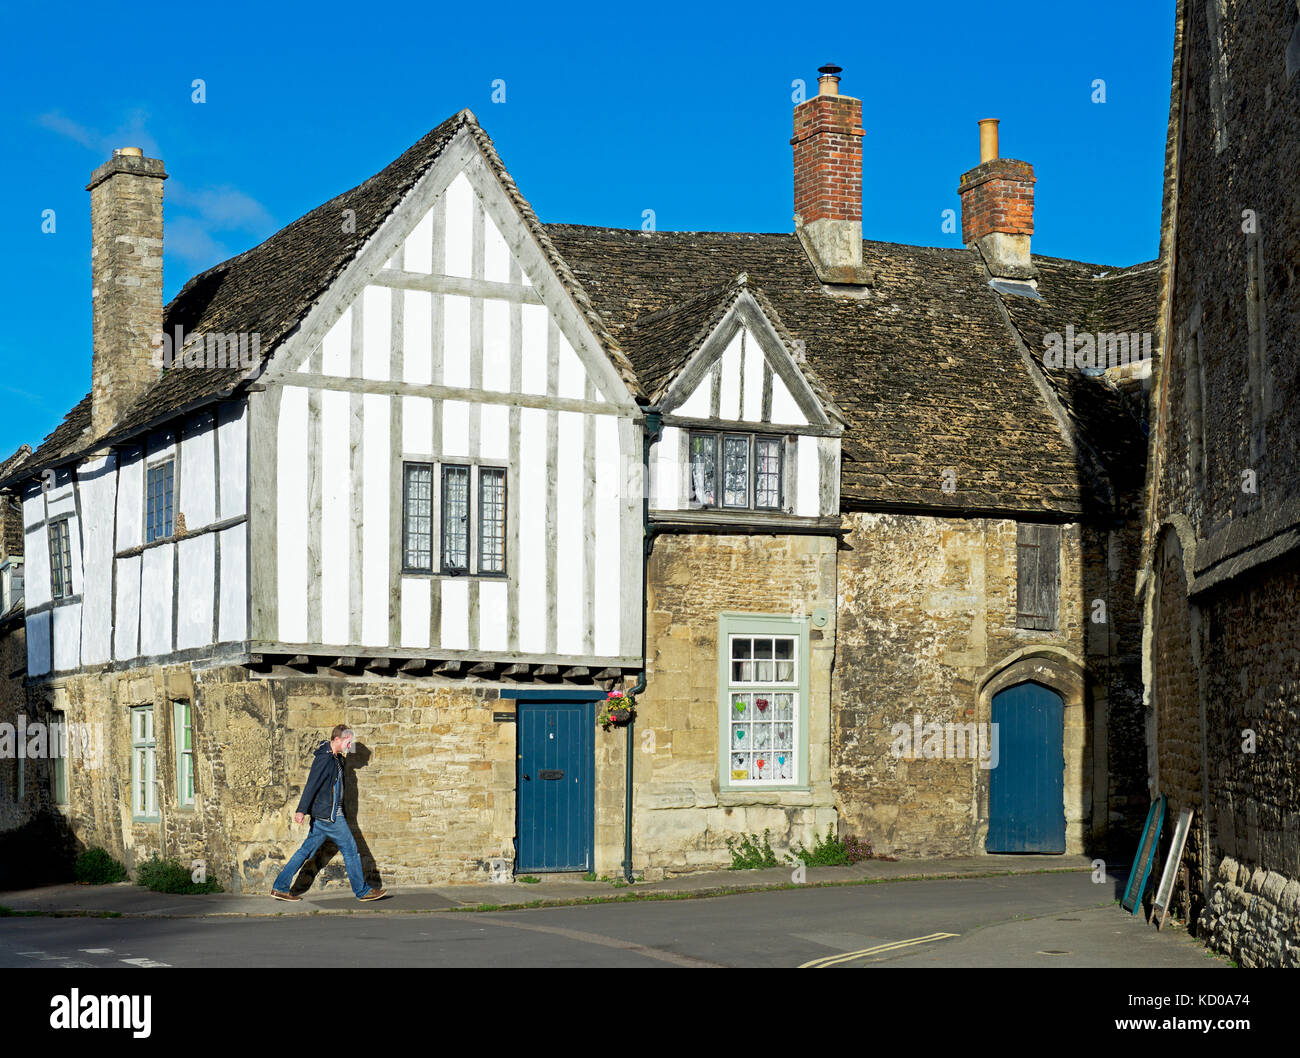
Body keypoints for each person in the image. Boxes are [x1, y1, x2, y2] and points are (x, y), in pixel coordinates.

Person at [271, 724, 387, 901]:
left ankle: (280, 887)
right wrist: (301, 810)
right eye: (349, 742)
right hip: (331, 816)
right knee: (350, 850)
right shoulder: (324, 759)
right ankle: (362, 891)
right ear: (338, 739)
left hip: (323, 817)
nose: (351, 745)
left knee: (304, 851)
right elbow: (312, 784)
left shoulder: (337, 759)